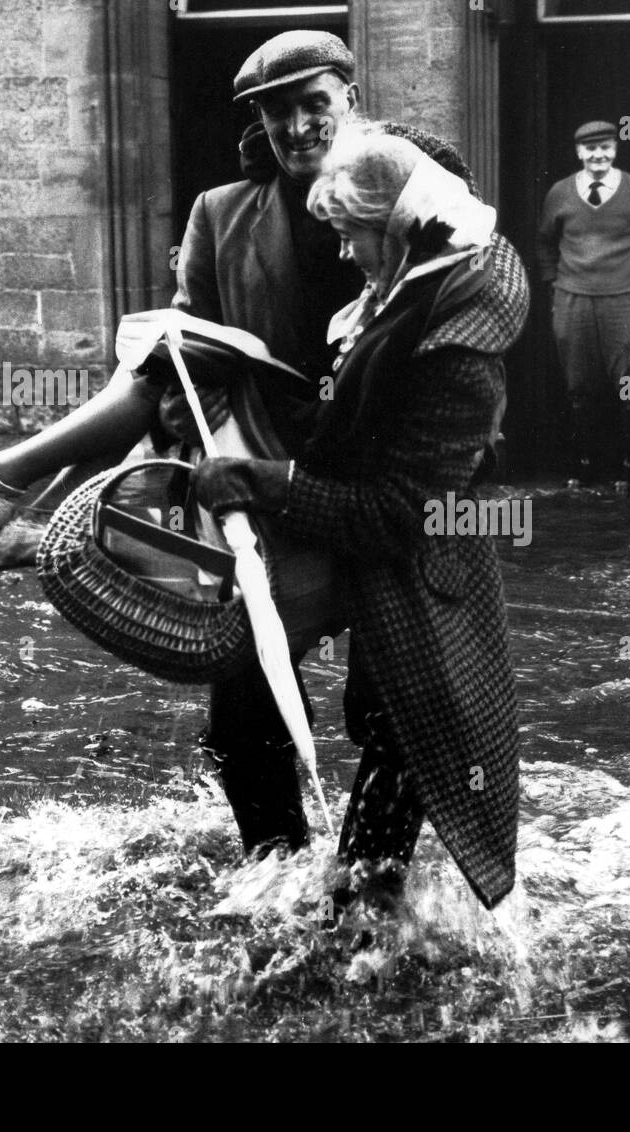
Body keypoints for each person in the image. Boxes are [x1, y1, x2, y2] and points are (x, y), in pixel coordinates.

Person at [0, 31, 484, 871]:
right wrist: (211, 402)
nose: (297, 127)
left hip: (389, 498)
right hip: (259, 492)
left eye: (313, 104)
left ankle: (372, 897)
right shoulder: (222, 213)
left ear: (349, 99)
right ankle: (275, 876)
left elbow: (460, 311)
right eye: (276, 112)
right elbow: (180, 376)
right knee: (240, 723)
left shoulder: (409, 193)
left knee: (399, 717)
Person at [191, 122, 529, 910]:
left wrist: (267, 482)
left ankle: (361, 916)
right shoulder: (402, 280)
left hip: (424, 549)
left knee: (405, 726)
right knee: (242, 691)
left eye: (351, 235)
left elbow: (395, 515)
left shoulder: (457, 346)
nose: (343, 254)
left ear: (400, 227)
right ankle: (274, 870)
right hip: (347, 521)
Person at [535, 120, 630, 492]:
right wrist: (553, 281)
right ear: (579, 152)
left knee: (628, 385)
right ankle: (585, 465)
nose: (599, 155)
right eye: (591, 149)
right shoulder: (560, 193)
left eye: (607, 147)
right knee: (580, 385)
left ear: (616, 149)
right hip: (572, 300)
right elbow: (545, 242)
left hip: (623, 301)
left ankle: (629, 467)